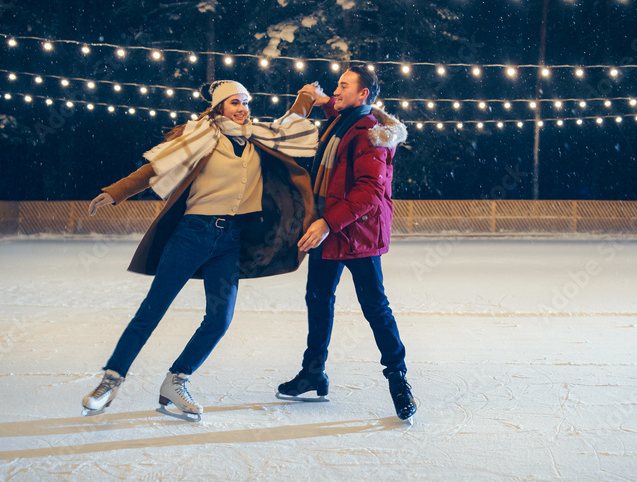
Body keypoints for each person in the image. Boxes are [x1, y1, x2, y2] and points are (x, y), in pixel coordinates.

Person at [81, 80, 322, 417]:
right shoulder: (200, 139)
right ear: (219, 107)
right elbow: (155, 167)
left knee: (219, 320)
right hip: (192, 235)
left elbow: (290, 123)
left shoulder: (259, 140)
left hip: (230, 241)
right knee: (153, 309)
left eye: (245, 102)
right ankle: (111, 379)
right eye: (234, 102)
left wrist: (306, 97)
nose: (242, 108)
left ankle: (176, 380)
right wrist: (115, 192)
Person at [277, 66, 417, 421]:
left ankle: (398, 380)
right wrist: (323, 100)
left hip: (357, 233)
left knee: (375, 307)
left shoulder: (370, 134)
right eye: (336, 86)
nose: (336, 91)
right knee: (318, 299)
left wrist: (327, 222)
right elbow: (338, 118)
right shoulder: (345, 123)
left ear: (363, 95)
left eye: (344, 86)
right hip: (329, 227)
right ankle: (313, 373)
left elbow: (369, 192)